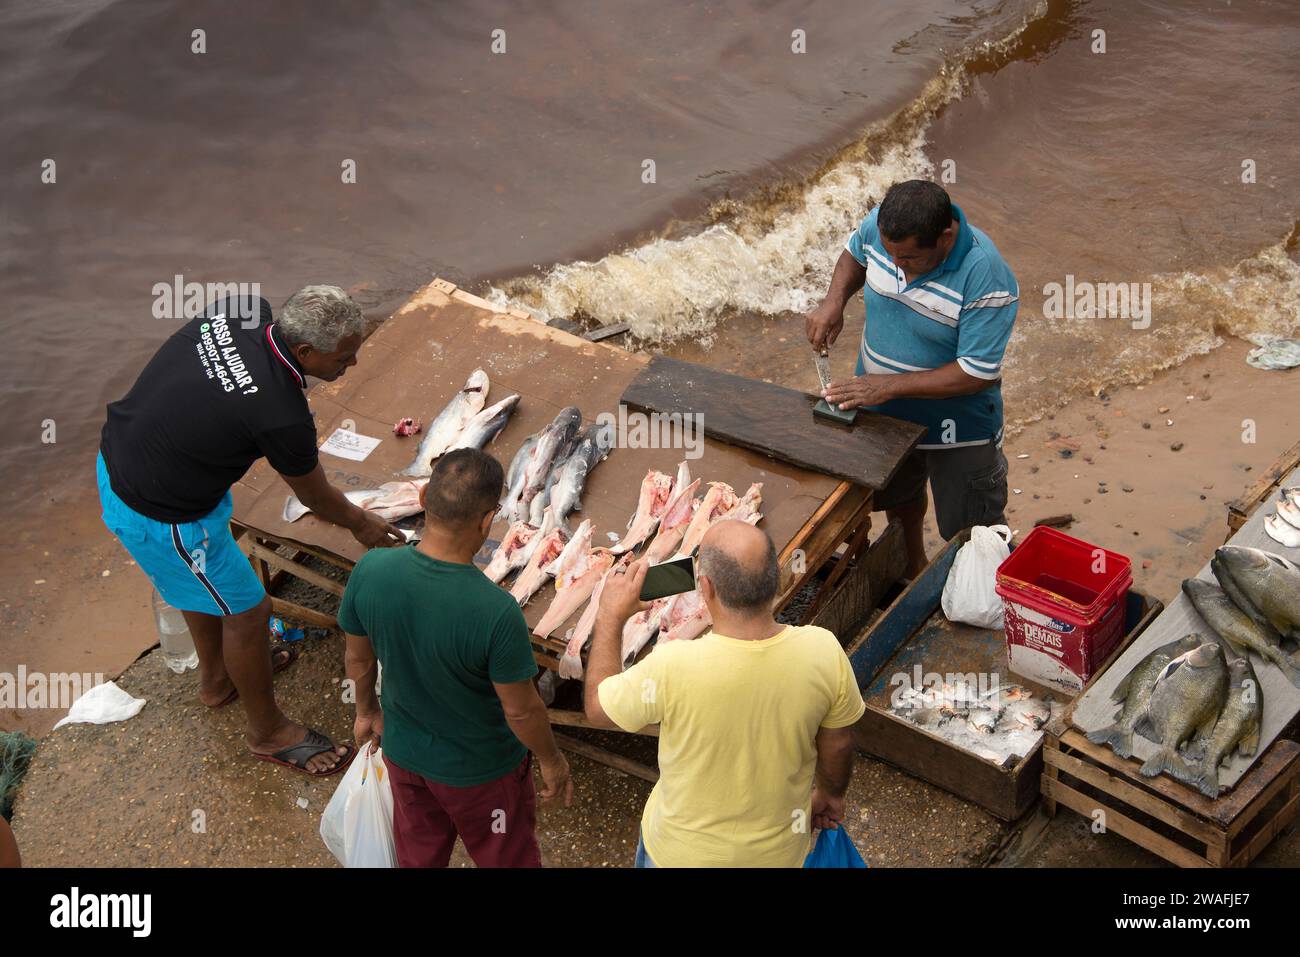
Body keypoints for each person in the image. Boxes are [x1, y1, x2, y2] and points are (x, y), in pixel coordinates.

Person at [98, 286, 403, 776]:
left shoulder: (241, 309)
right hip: (159, 512)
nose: (353, 364)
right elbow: (315, 497)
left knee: (208, 591)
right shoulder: (282, 413)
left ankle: (218, 681)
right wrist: (363, 524)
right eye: (344, 357)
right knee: (247, 611)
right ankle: (267, 733)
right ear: (304, 353)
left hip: (131, 457)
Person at [340, 448, 574, 868]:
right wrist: (551, 760)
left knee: (419, 856)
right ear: (488, 520)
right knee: (506, 857)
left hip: (405, 759)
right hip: (484, 777)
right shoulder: (496, 611)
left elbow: (358, 661)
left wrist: (365, 711)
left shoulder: (371, 569)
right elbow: (521, 712)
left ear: (425, 497)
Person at [584, 520, 864, 867]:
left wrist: (610, 615)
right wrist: (831, 794)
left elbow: (597, 707)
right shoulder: (822, 651)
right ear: (775, 579)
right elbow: (838, 742)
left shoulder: (673, 665)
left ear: (705, 587)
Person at [807, 180, 1019, 576]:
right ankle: (913, 566)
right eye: (890, 255)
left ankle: (981, 601)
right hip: (882, 412)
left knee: (972, 531)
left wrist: (885, 386)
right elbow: (856, 255)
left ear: (945, 237)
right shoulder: (885, 227)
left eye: (908, 259)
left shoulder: (986, 276)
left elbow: (974, 372)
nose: (896, 267)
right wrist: (834, 301)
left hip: (960, 426)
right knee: (900, 497)